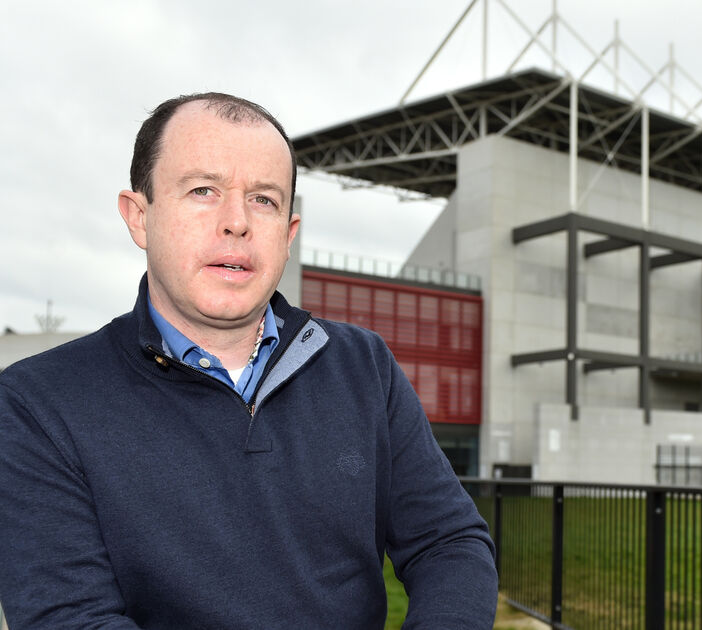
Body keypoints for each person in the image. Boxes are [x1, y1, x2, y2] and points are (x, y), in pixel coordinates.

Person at [0, 93, 498, 629]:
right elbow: (71, 617)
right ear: (139, 216)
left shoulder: (363, 366)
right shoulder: (38, 404)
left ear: (287, 235)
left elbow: (450, 543)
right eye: (203, 190)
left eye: (263, 199)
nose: (236, 222)